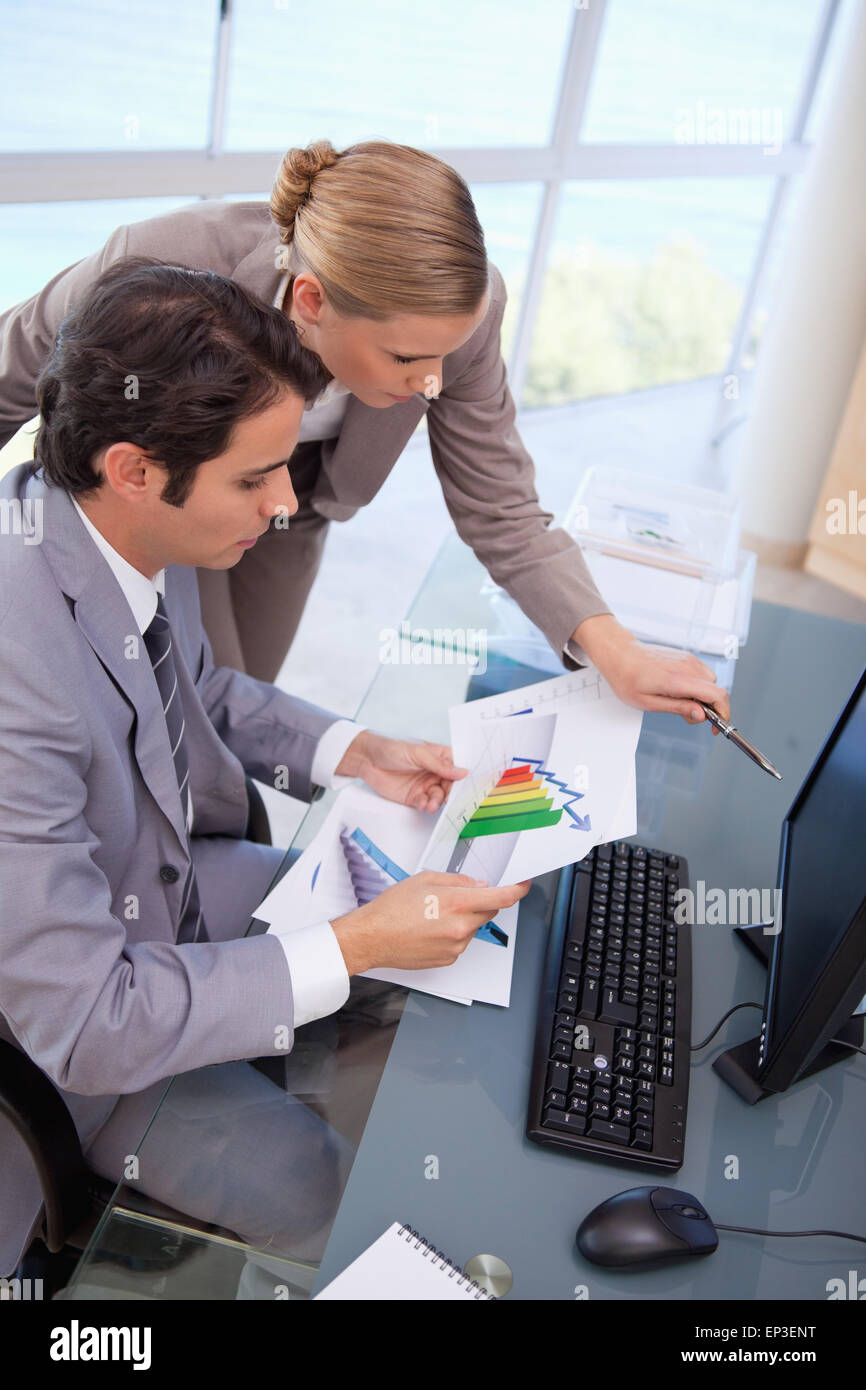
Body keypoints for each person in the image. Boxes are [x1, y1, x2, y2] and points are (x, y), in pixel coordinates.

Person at [0, 259, 529, 1278]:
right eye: (255, 478)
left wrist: (351, 748)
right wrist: (354, 938)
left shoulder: (111, 532)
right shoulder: (16, 681)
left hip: (165, 897)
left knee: (431, 958)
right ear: (134, 467)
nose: (285, 505)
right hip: (79, 1040)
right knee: (320, 1185)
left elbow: (199, 685)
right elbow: (82, 1020)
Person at [0, 137, 729, 731]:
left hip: (301, 503)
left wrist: (617, 651)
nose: (432, 381)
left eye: (442, 357)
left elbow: (500, 502)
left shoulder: (455, 318)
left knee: (245, 701)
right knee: (185, 703)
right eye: (407, 360)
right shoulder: (163, 260)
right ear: (311, 300)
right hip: (166, 496)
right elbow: (15, 360)